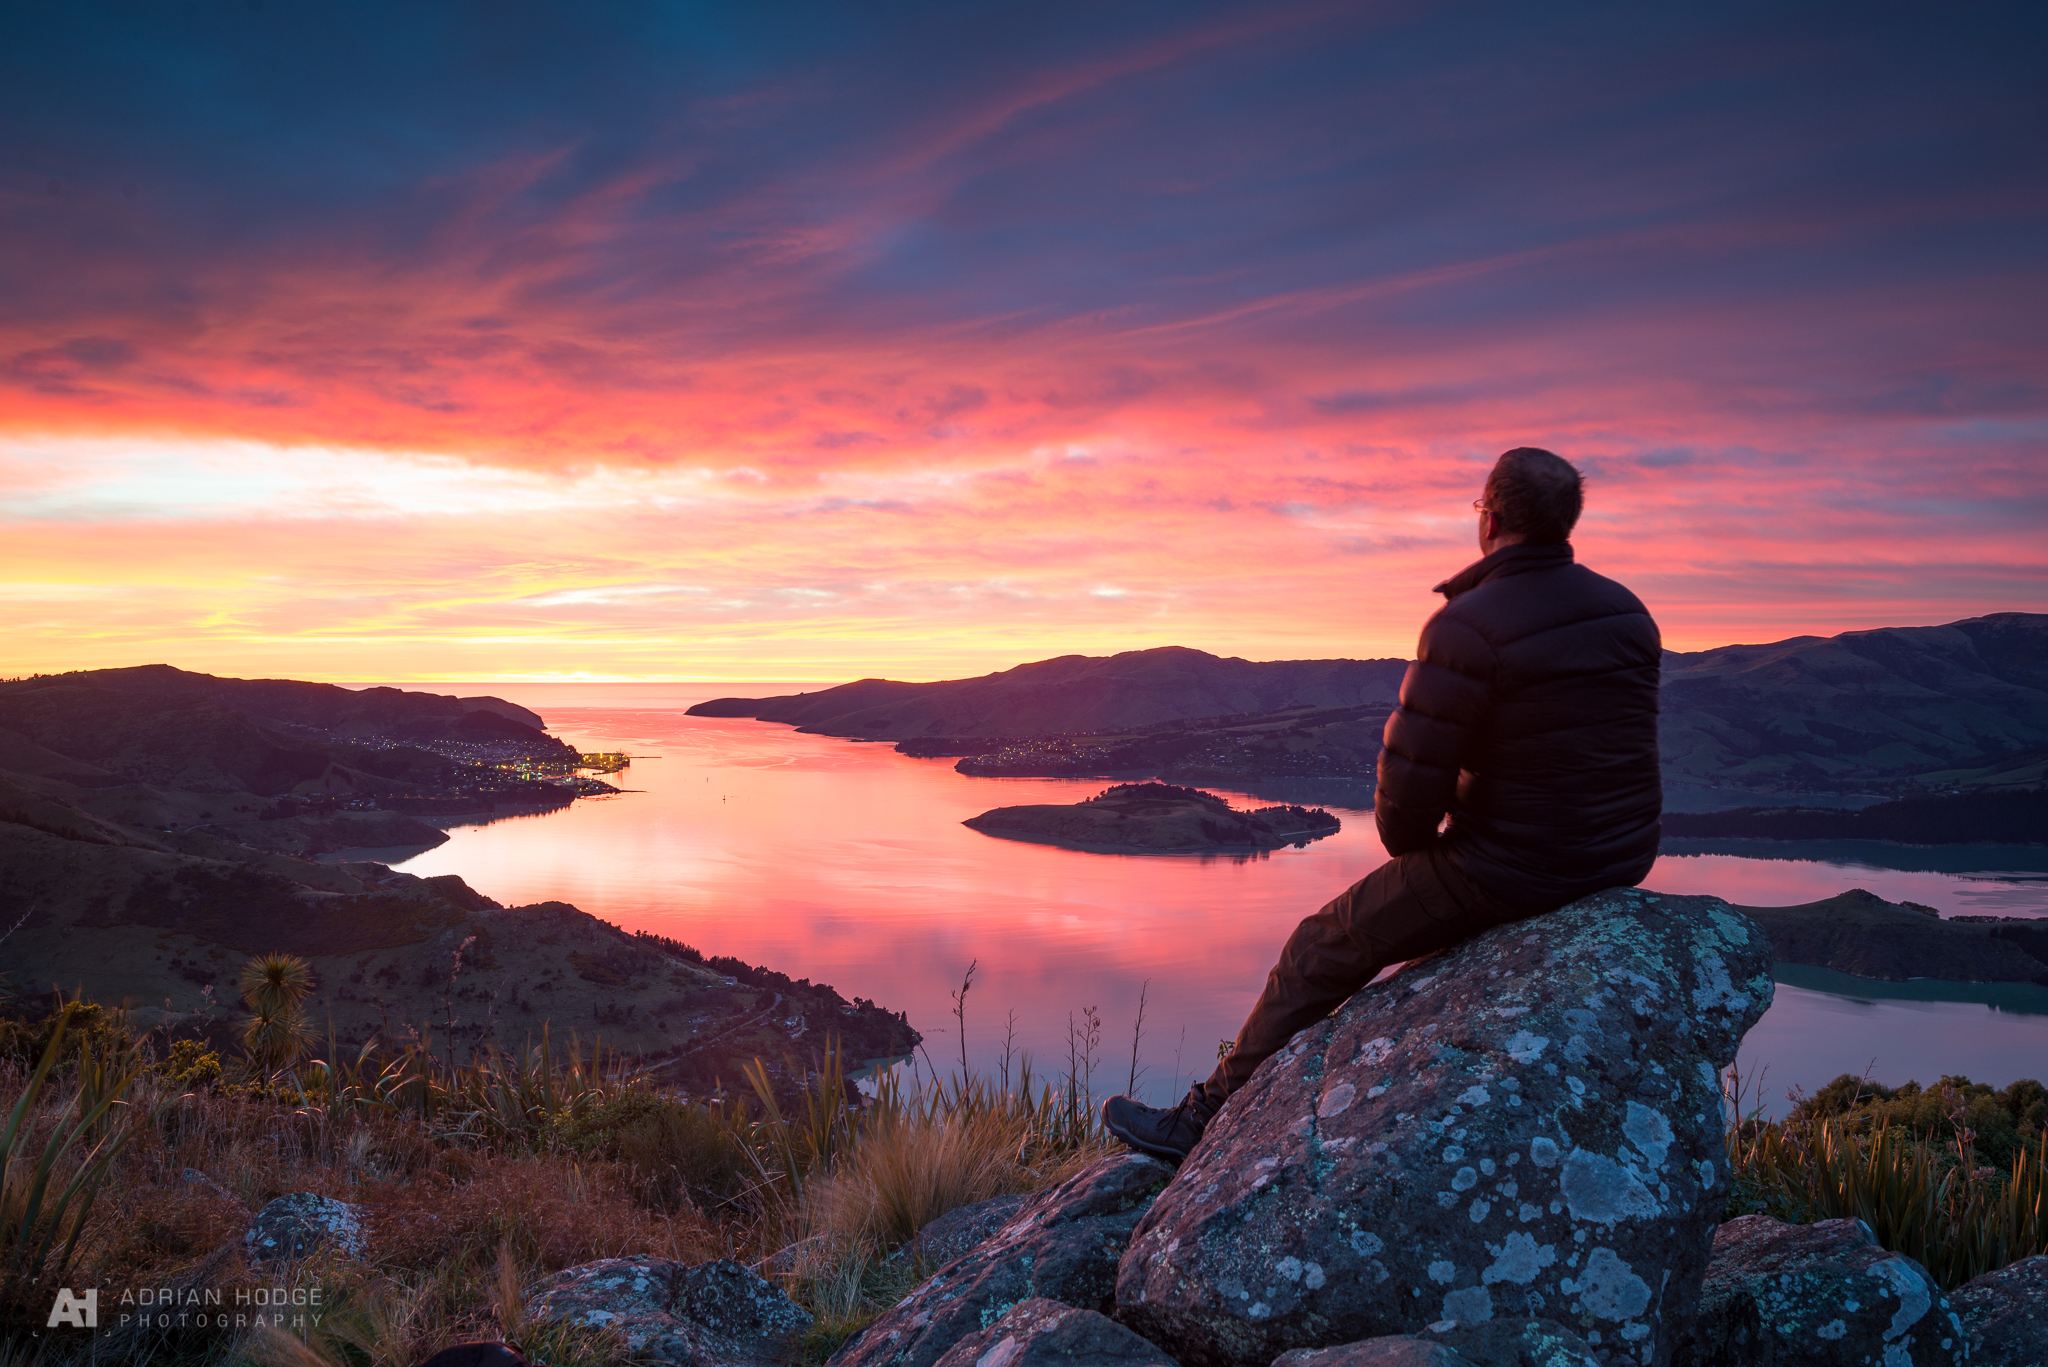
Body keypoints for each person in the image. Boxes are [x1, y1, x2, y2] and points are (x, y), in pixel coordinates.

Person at [1100, 447, 1663, 1161]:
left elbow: (1405, 811)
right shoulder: (1627, 611)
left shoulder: (1467, 625)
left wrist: (1440, 841)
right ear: (1565, 523)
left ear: (1489, 518)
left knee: (1319, 944)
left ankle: (1201, 1121)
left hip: (1518, 866)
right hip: (1619, 853)